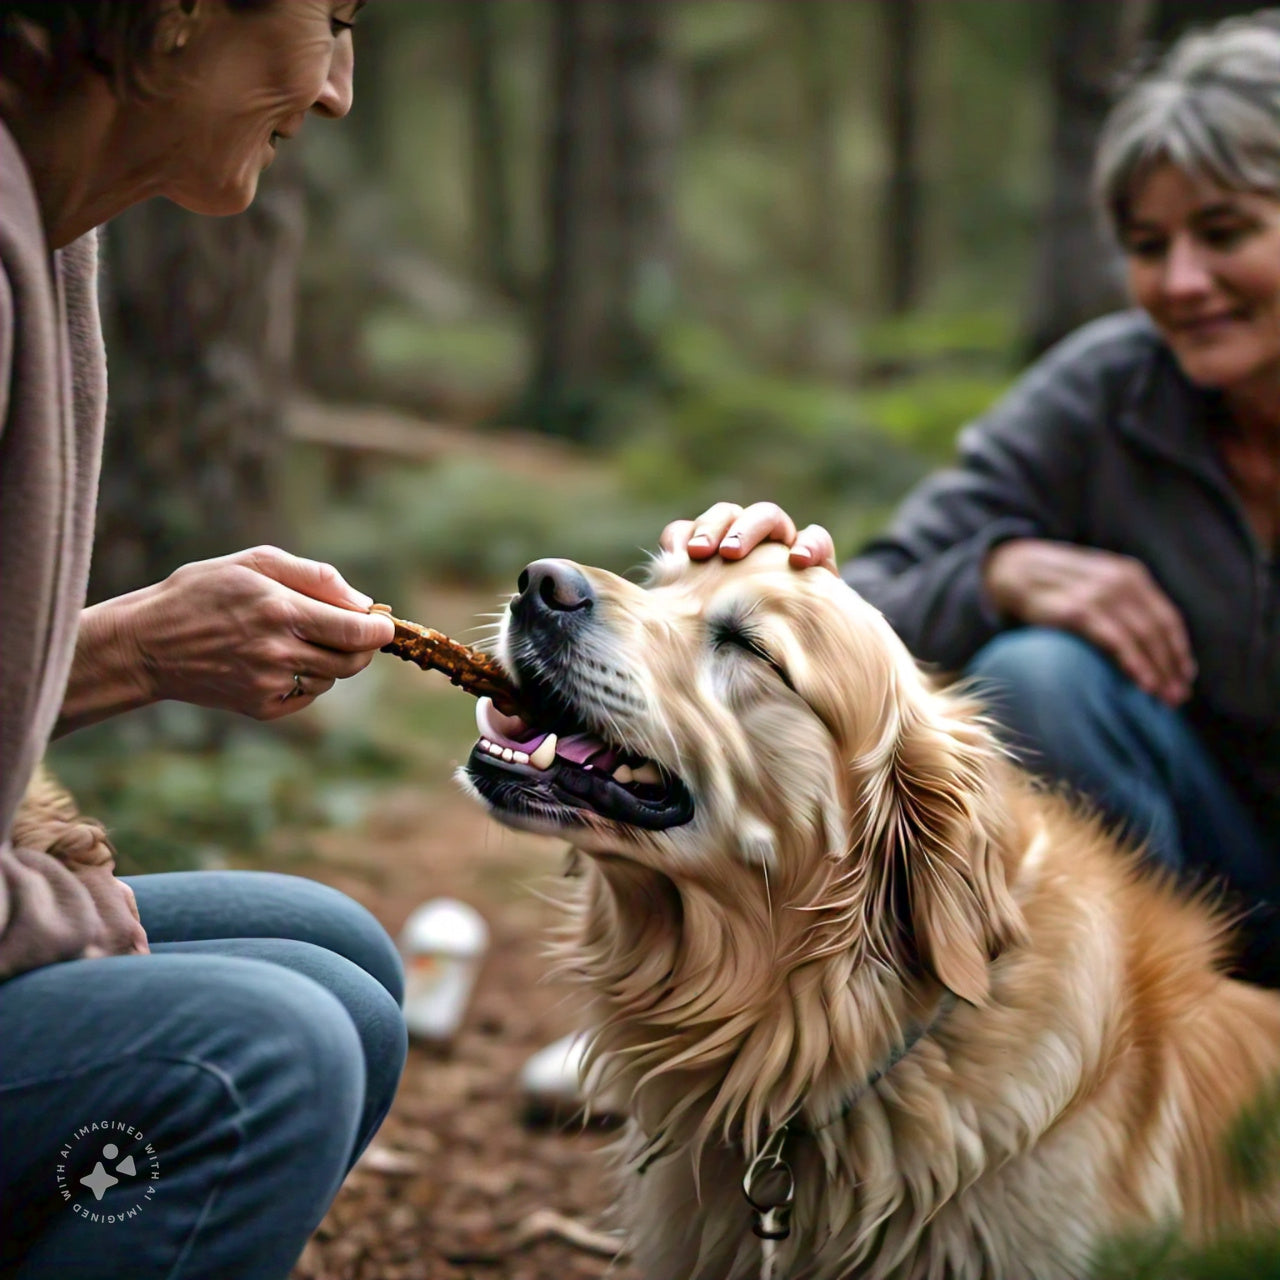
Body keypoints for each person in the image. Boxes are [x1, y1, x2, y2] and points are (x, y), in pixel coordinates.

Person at [664, 10, 1280, 984]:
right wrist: (998, 571)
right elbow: (873, 598)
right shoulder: (1104, 392)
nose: (1180, 282)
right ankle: (1142, 1033)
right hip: (1197, 885)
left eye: (1222, 232)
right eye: (1145, 244)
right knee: (1040, 677)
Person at [0, 3, 409, 1276]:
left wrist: (132, 647)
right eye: (328, 18)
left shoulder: (49, 229)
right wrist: (44, 917)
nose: (337, 88)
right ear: (175, 13)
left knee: (342, 962)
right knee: (263, 1058)